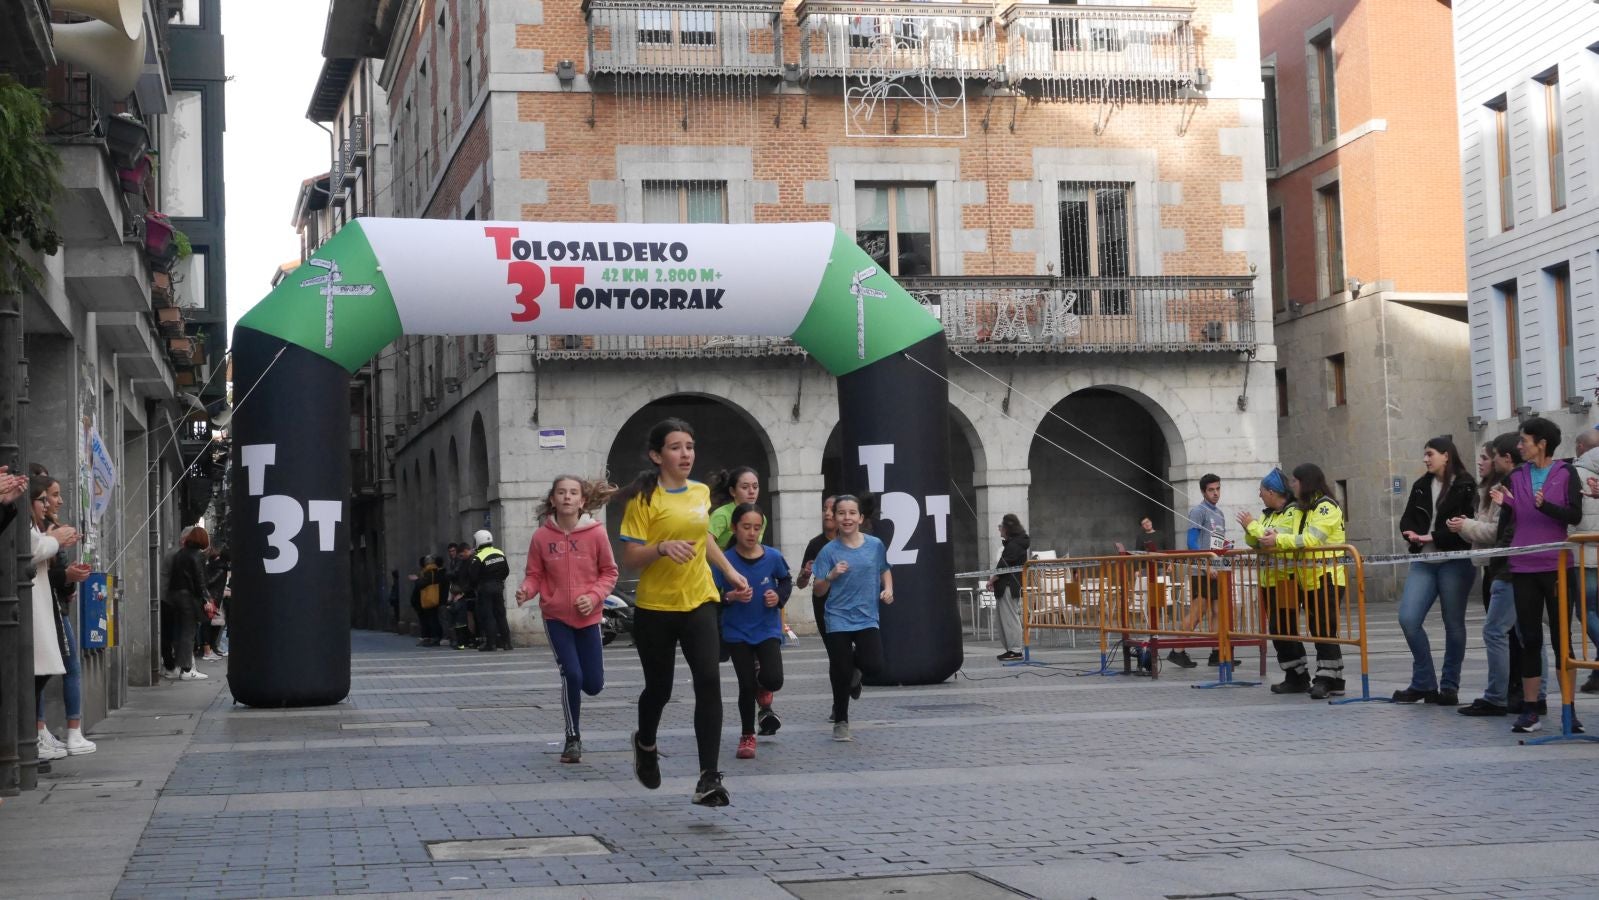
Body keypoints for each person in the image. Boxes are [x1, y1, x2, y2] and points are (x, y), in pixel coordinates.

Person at [618, 418, 749, 807]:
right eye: (676, 447)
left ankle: (709, 777)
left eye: (689, 446)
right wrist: (661, 548)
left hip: (700, 600)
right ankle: (645, 743)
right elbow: (630, 558)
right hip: (656, 607)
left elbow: (703, 537)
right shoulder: (644, 499)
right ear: (657, 456)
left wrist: (729, 571)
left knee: (708, 681)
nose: (685, 454)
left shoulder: (700, 492)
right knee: (659, 689)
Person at [516, 475, 620, 764]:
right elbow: (535, 574)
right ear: (553, 499)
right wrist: (526, 590)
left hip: (589, 617)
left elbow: (609, 572)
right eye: (561, 492)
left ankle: (584, 685)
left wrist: (594, 596)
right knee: (571, 675)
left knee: (593, 684)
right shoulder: (541, 537)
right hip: (556, 617)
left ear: (582, 501)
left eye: (573, 493)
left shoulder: (596, 534)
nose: (567, 497)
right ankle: (572, 738)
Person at [1497, 416, 1585, 734]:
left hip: (1557, 567)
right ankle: (1531, 709)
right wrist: (1505, 504)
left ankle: (1569, 710)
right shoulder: (1516, 475)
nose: (1519, 446)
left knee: (1563, 639)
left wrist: (1545, 506)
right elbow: (1510, 521)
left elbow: (1574, 515)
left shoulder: (1566, 473)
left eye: (1524, 440)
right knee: (1530, 639)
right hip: (1523, 567)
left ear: (1542, 444)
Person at [1452, 433, 1539, 716]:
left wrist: (1468, 527)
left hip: (1510, 566)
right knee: (1527, 633)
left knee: (1499, 631)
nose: (1481, 462)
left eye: (1489, 456)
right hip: (1517, 565)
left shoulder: (1514, 482)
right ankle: (1531, 696)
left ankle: (1499, 697)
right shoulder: (1514, 482)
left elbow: (1504, 530)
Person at [1392, 437, 1478, 706]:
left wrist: (1433, 537)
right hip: (1424, 561)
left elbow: (1465, 527)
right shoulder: (1421, 485)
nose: (1425, 459)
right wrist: (1409, 533)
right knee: (1408, 619)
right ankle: (1424, 683)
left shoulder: (1465, 485)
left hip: (1455, 560)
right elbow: (1407, 517)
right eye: (1425, 454)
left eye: (1430, 454)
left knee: (1453, 623)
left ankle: (1449, 686)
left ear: (1446, 455)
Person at [811, 494, 894, 742]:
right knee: (840, 670)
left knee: (874, 666)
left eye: (851, 513)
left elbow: (884, 569)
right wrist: (831, 576)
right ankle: (841, 721)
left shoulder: (875, 545)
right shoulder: (828, 551)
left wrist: (888, 589)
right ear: (835, 518)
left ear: (860, 518)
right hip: (837, 617)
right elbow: (818, 590)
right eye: (841, 513)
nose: (846, 518)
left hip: (867, 617)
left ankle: (855, 670)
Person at [713, 503, 791, 760]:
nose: (751, 533)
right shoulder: (725, 561)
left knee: (774, 679)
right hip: (737, 632)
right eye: (746, 527)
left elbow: (786, 580)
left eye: (757, 528)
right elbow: (712, 596)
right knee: (745, 685)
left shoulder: (773, 557)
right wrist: (731, 597)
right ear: (734, 528)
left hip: (767, 628)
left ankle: (763, 685)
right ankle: (747, 735)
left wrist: (777, 596)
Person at [29, 475, 94, 759]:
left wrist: (68, 578)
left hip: (50, 604)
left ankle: (40, 733)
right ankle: (43, 733)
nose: (53, 503)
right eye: (47, 497)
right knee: (52, 668)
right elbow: (33, 552)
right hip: (43, 607)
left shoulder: (44, 527)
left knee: (49, 669)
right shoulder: (39, 529)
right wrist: (55, 544)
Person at [1175, 474, 1231, 668]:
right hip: (1202, 570)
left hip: (1217, 568)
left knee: (1217, 611)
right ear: (1203, 491)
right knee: (1198, 612)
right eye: (1211, 490)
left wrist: (1227, 547)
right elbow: (1192, 542)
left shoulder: (1220, 514)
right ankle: (1177, 651)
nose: (1215, 493)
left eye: (1218, 489)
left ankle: (1217, 652)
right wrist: (1206, 565)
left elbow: (1217, 542)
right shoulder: (1198, 512)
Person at [162, 526, 211, 680]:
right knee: (189, 631)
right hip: (188, 597)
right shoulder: (197, 555)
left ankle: (179, 666)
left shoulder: (180, 553)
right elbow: (199, 579)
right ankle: (187, 669)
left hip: (174, 596)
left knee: (179, 631)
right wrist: (206, 599)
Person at [1572, 427, 1599, 694]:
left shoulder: (1576, 473)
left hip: (1585, 555)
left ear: (1581, 447)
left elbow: (1572, 516)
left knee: (1586, 610)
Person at [986, 514, 1030, 661]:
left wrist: (991, 580)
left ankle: (1015, 650)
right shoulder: (1014, 544)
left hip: (1009, 586)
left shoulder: (1014, 545)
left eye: (1000, 527)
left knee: (1010, 619)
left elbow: (1003, 566)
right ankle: (1011, 650)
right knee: (1002, 620)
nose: (999, 530)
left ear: (1007, 528)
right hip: (1005, 586)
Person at [796, 495, 837, 638]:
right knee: (833, 647)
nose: (828, 513)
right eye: (825, 509)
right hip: (823, 603)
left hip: (848, 602)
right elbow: (800, 584)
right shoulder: (815, 544)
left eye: (832, 510)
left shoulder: (851, 541)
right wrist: (805, 575)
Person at [468, 530, 511, 652]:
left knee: (488, 616)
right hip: (498, 586)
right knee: (501, 614)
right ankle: (507, 643)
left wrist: (475, 587)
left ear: (479, 541)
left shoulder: (478, 557)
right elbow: (506, 571)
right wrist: (499, 581)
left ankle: (491, 644)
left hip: (485, 588)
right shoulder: (499, 552)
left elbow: (473, 577)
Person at [414, 555, 444, 646]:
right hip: (433, 598)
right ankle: (435, 637)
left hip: (430, 598)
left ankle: (435, 637)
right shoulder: (434, 571)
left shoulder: (429, 571)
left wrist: (417, 580)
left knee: (432, 619)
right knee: (433, 618)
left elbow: (422, 583)